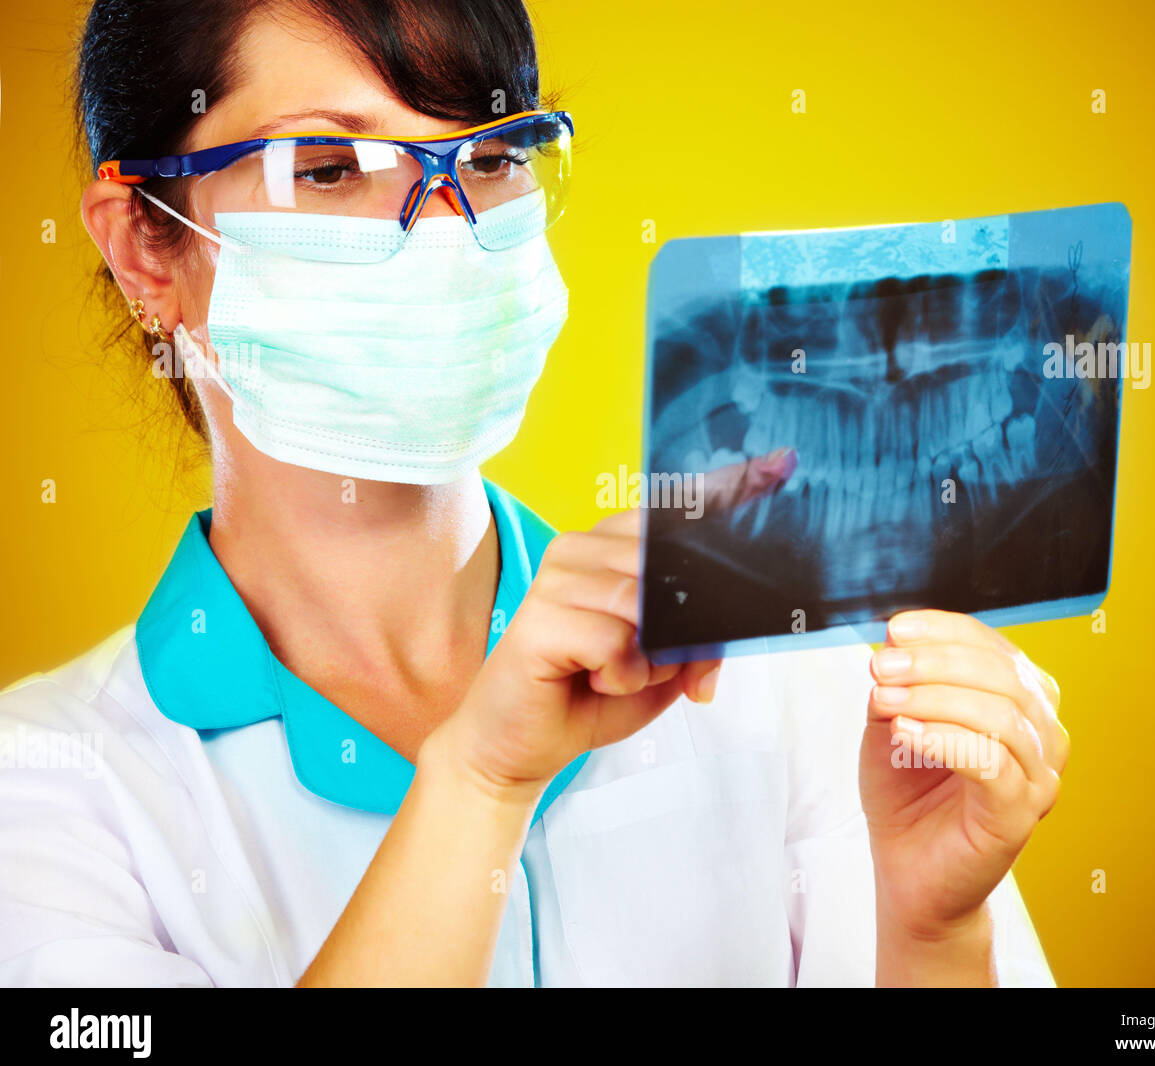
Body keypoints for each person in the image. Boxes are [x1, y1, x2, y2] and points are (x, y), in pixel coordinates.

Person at [0, 0, 1067, 987]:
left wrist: (933, 934)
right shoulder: (49, 786)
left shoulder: (778, 673)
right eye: (328, 166)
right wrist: (478, 779)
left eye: (497, 151)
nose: (443, 224)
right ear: (148, 243)